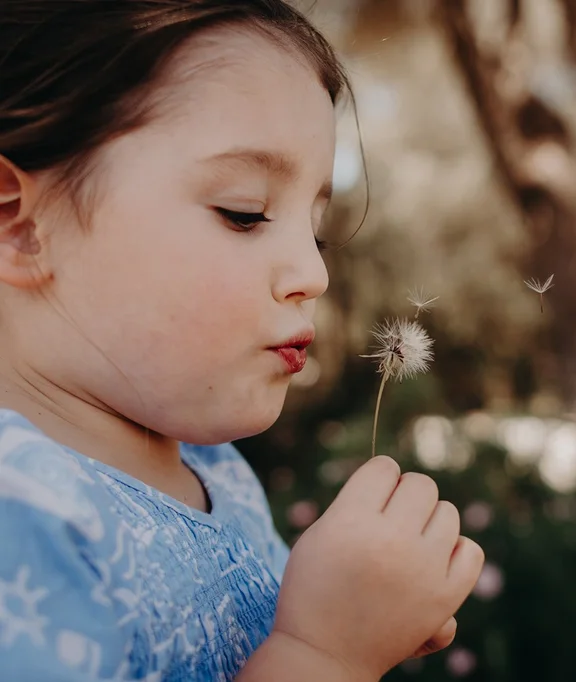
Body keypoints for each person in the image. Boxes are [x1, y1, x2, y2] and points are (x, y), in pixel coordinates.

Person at [0, 1, 485, 680]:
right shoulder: (21, 520)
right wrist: (326, 654)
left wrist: (363, 614)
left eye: (314, 230)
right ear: (19, 224)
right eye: (245, 212)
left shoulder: (215, 468)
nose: (313, 274)